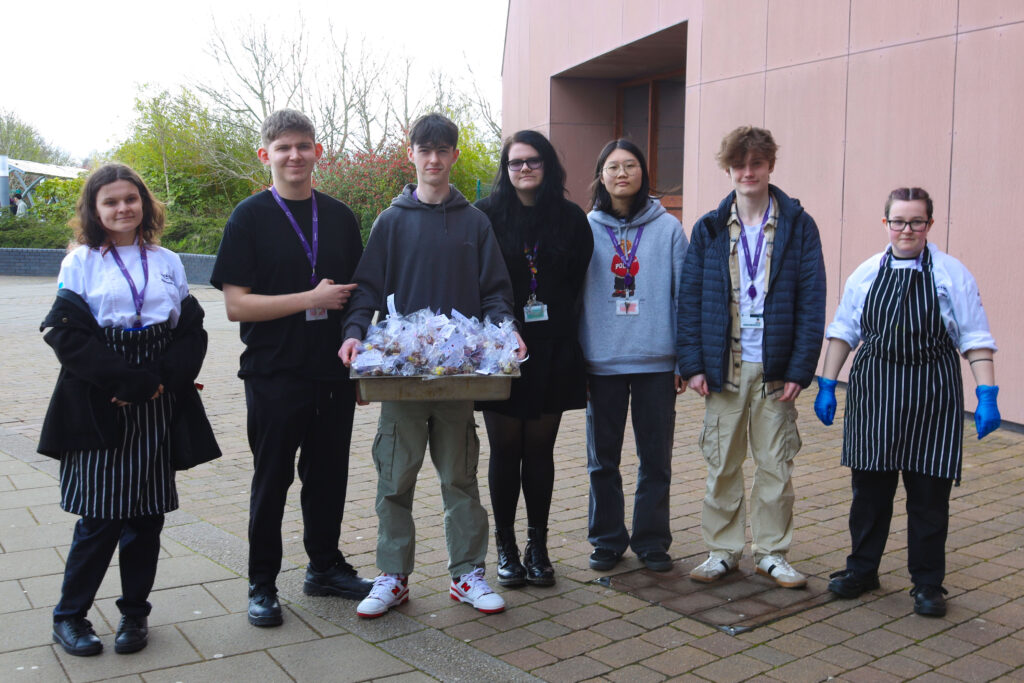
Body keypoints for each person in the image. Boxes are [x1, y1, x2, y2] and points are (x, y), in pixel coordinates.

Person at [339, 112, 527, 618]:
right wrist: (354, 334)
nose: (434, 159)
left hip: (458, 377)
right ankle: (392, 576)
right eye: (425, 150)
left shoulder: (475, 223)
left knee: (459, 477)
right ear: (412, 154)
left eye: (443, 150)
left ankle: (467, 574)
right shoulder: (391, 221)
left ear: (455, 156)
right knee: (394, 479)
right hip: (401, 378)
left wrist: (506, 329)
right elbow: (367, 289)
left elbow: (496, 292)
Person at [38, 164, 218, 656]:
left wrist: (160, 382)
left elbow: (191, 331)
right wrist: (126, 383)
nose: (123, 208)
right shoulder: (79, 263)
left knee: (147, 518)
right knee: (99, 518)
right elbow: (67, 335)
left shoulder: (167, 261)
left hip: (158, 398)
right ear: (94, 210)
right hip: (101, 397)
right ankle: (69, 617)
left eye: (130, 199)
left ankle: (134, 615)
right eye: (111, 201)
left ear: (144, 203)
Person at [210, 109, 371, 627]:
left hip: (332, 372)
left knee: (327, 477)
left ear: (318, 151)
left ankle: (324, 568)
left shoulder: (340, 216)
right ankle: (262, 583)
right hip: (274, 373)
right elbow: (236, 305)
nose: (294, 156)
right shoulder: (249, 217)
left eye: (303, 146)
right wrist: (310, 298)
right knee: (272, 479)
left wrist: (362, 358)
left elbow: (359, 296)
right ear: (266, 155)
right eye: (283, 148)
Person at [815, 187, 1000, 617]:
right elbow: (843, 331)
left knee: (929, 497)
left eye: (916, 221)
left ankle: (928, 584)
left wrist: (986, 393)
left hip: (933, 394)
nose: (907, 230)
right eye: (898, 221)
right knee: (869, 494)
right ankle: (862, 570)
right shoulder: (866, 274)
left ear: (929, 225)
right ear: (886, 223)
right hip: (875, 393)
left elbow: (974, 336)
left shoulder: (951, 274)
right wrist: (826, 383)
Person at [677, 126, 825, 588]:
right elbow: (690, 300)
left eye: (756, 163)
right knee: (722, 463)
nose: (748, 172)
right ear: (728, 169)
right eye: (739, 164)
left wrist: (801, 367)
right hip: (725, 366)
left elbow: (812, 300)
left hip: (776, 369)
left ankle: (772, 553)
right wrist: (692, 364)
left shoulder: (799, 226)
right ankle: (722, 551)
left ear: (770, 166)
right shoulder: (709, 227)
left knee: (775, 465)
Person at [475, 130, 593, 587]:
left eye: (533, 161)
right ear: (505, 169)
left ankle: (537, 546)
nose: (524, 168)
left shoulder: (570, 219)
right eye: (515, 162)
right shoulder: (485, 216)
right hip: (502, 348)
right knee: (505, 449)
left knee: (540, 450)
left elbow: (578, 282)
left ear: (547, 165)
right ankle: (505, 547)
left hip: (554, 347)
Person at [579, 139, 687, 573]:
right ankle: (606, 540)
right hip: (600, 363)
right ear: (601, 176)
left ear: (643, 172)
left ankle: (652, 541)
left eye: (630, 165)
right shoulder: (584, 229)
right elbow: (572, 298)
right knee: (602, 460)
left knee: (655, 459)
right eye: (613, 167)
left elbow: (684, 296)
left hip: (656, 362)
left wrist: (683, 359)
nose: (622, 173)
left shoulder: (669, 229)